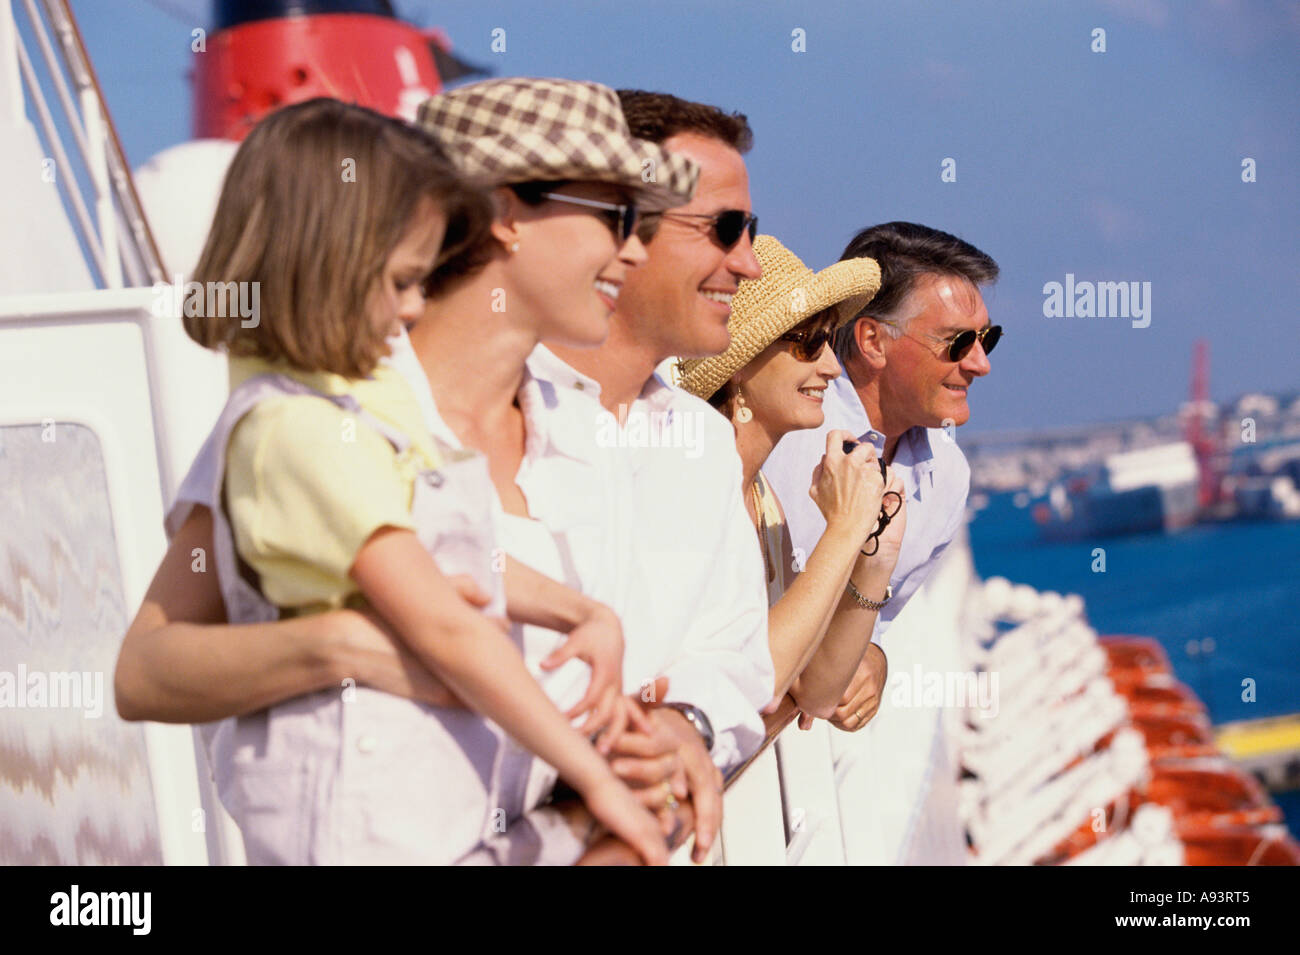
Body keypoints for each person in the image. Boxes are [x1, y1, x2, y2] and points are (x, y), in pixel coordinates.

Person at [118, 88, 701, 865]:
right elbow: (148, 668)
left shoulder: (611, 435)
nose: (636, 248)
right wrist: (339, 645)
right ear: (503, 212)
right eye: (618, 216)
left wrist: (645, 711)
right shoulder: (308, 421)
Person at [536, 90, 780, 858]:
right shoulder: (489, 414)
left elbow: (734, 656)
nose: (749, 261)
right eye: (726, 228)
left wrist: (687, 725)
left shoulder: (704, 444)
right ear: (619, 224)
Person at [762, 222, 1000, 728]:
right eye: (959, 342)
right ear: (873, 340)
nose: (980, 364)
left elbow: (872, 624)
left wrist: (874, 656)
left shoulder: (948, 476)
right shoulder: (786, 433)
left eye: (987, 339)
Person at [676, 235, 905, 726]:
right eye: (808, 342)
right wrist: (843, 530)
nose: (831, 366)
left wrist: (875, 558)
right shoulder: (692, 489)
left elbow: (817, 692)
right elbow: (762, 680)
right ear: (738, 366)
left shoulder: (759, 496)